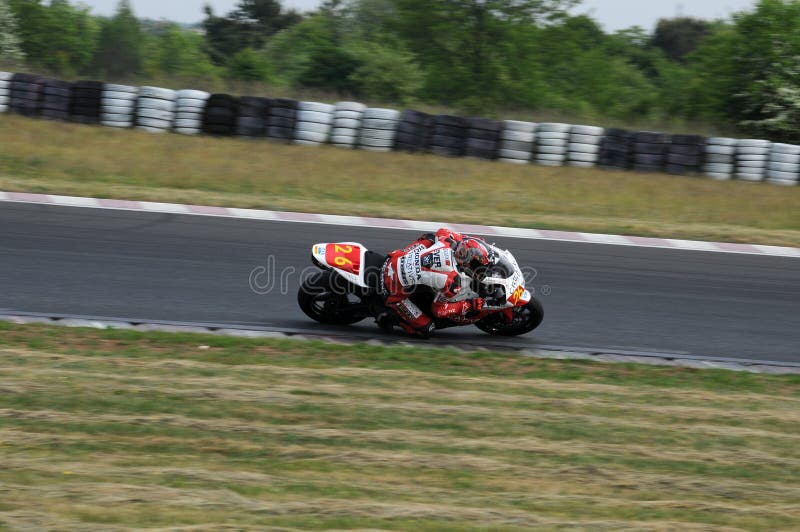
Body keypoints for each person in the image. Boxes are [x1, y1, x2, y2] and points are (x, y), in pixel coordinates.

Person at [379, 228, 496, 336]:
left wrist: (466, 241)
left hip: (395, 258)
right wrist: (468, 305)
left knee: (429, 238)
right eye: (477, 266)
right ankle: (391, 317)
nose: (480, 269)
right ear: (468, 263)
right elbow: (439, 311)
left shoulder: (447, 241)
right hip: (390, 289)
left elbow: (442, 231)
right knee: (427, 329)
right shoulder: (453, 282)